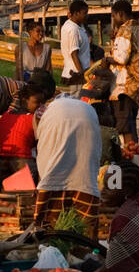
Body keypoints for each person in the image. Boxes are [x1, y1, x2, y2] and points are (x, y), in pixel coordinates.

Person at [34, 76, 103, 236]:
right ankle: (90, 250)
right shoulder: (84, 106)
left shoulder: (46, 110)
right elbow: (96, 149)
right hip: (86, 165)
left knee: (51, 182)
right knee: (84, 181)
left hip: (56, 163)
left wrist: (42, 182)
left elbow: (43, 149)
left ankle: (48, 244)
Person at [106, 0, 139, 157]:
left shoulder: (125, 31)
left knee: (125, 130)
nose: (114, 20)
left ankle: (132, 162)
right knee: (131, 126)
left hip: (123, 87)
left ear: (120, 14)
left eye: (114, 16)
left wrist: (107, 60)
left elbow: (121, 59)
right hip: (136, 87)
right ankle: (135, 162)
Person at [0, 85, 46, 186]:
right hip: (22, 161)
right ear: (25, 100)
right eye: (37, 102)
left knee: (2, 188)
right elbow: (41, 143)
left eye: (42, 103)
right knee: (28, 188)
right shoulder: (33, 119)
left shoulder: (6, 116)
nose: (40, 106)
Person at [59, 0, 92, 94]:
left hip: (78, 72)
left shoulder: (76, 25)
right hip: (76, 74)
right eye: (84, 13)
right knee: (78, 103)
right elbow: (74, 54)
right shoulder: (72, 29)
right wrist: (82, 75)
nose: (87, 15)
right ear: (76, 13)